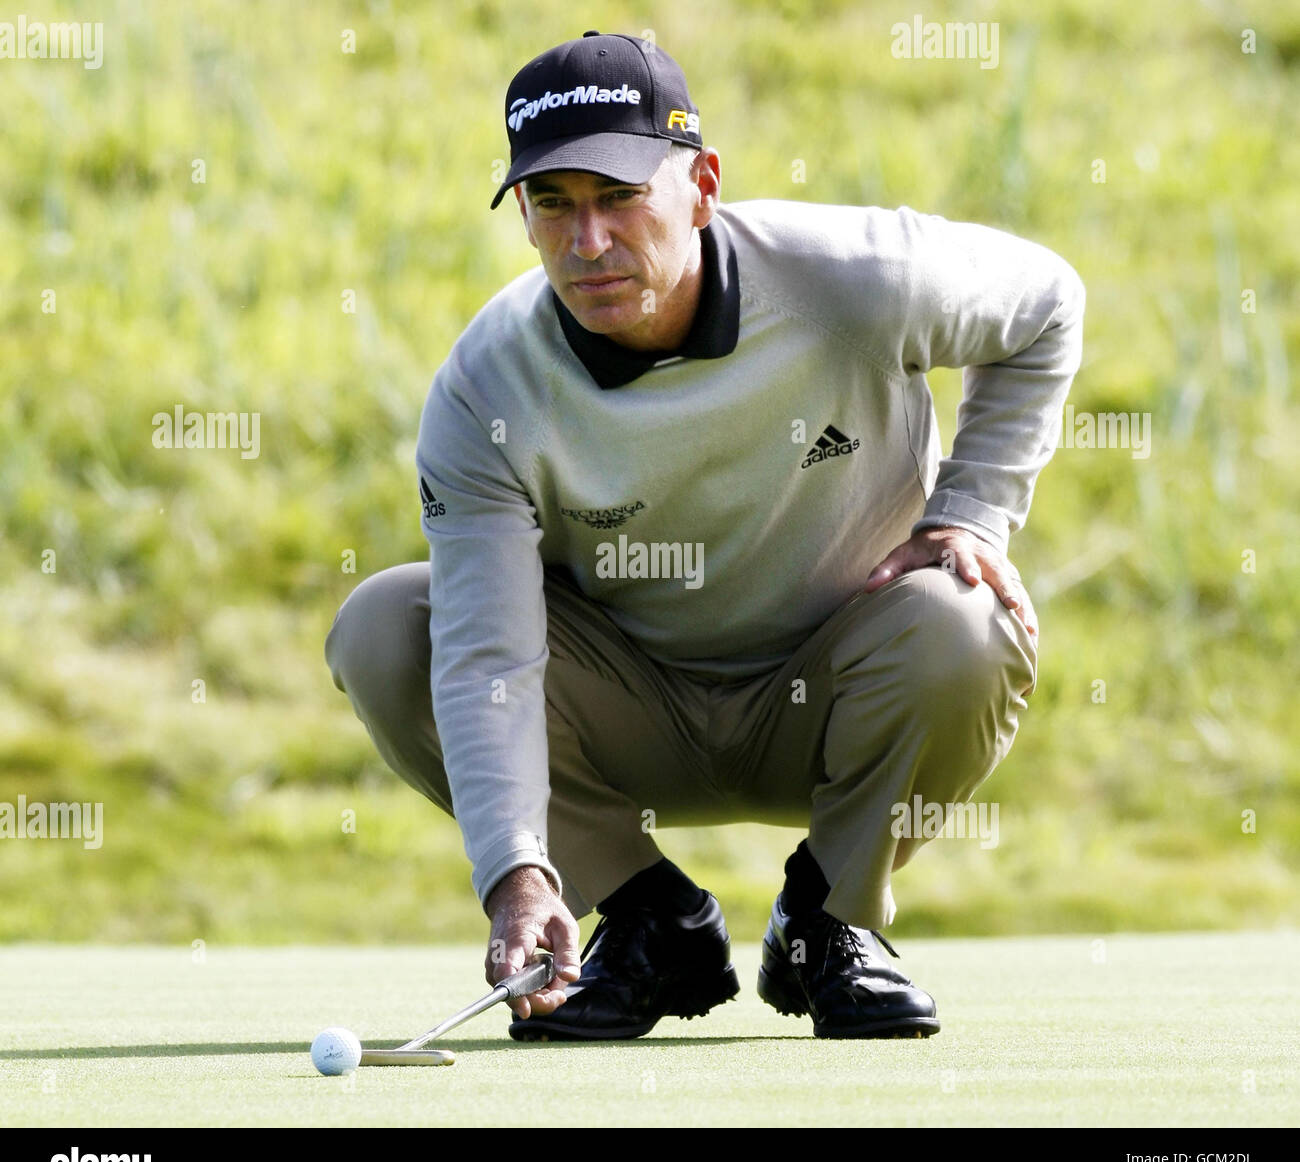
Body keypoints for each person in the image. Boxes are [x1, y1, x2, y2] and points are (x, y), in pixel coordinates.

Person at [325, 30, 1085, 1041]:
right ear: (521, 213)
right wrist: (515, 871)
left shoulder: (852, 277)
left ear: (703, 185)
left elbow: (1045, 305)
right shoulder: (485, 389)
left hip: (833, 687)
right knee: (386, 627)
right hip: (631, 709)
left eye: (618, 195)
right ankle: (646, 922)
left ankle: (826, 922)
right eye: (552, 204)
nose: (586, 241)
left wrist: (970, 511)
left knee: (966, 617)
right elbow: (486, 652)